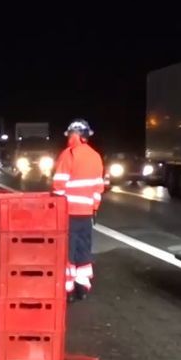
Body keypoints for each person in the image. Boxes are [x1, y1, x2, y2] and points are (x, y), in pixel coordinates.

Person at [51, 119, 105, 302]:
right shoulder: (95, 156)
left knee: (68, 251)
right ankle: (82, 286)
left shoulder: (69, 154)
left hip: (69, 212)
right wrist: (94, 208)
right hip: (87, 213)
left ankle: (68, 289)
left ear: (73, 135)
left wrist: (57, 206)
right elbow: (98, 187)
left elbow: (59, 184)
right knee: (84, 248)